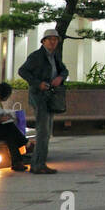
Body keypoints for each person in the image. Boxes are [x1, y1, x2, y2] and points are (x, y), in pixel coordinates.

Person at [18, 28, 68, 175]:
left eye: (55, 39)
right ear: (44, 41)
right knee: (43, 131)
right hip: (39, 96)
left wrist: (60, 78)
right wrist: (37, 83)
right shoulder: (37, 56)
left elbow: (64, 70)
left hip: (51, 96)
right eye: (50, 39)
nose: (53, 42)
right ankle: (37, 164)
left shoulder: (55, 56)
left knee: (47, 130)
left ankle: (40, 163)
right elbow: (23, 71)